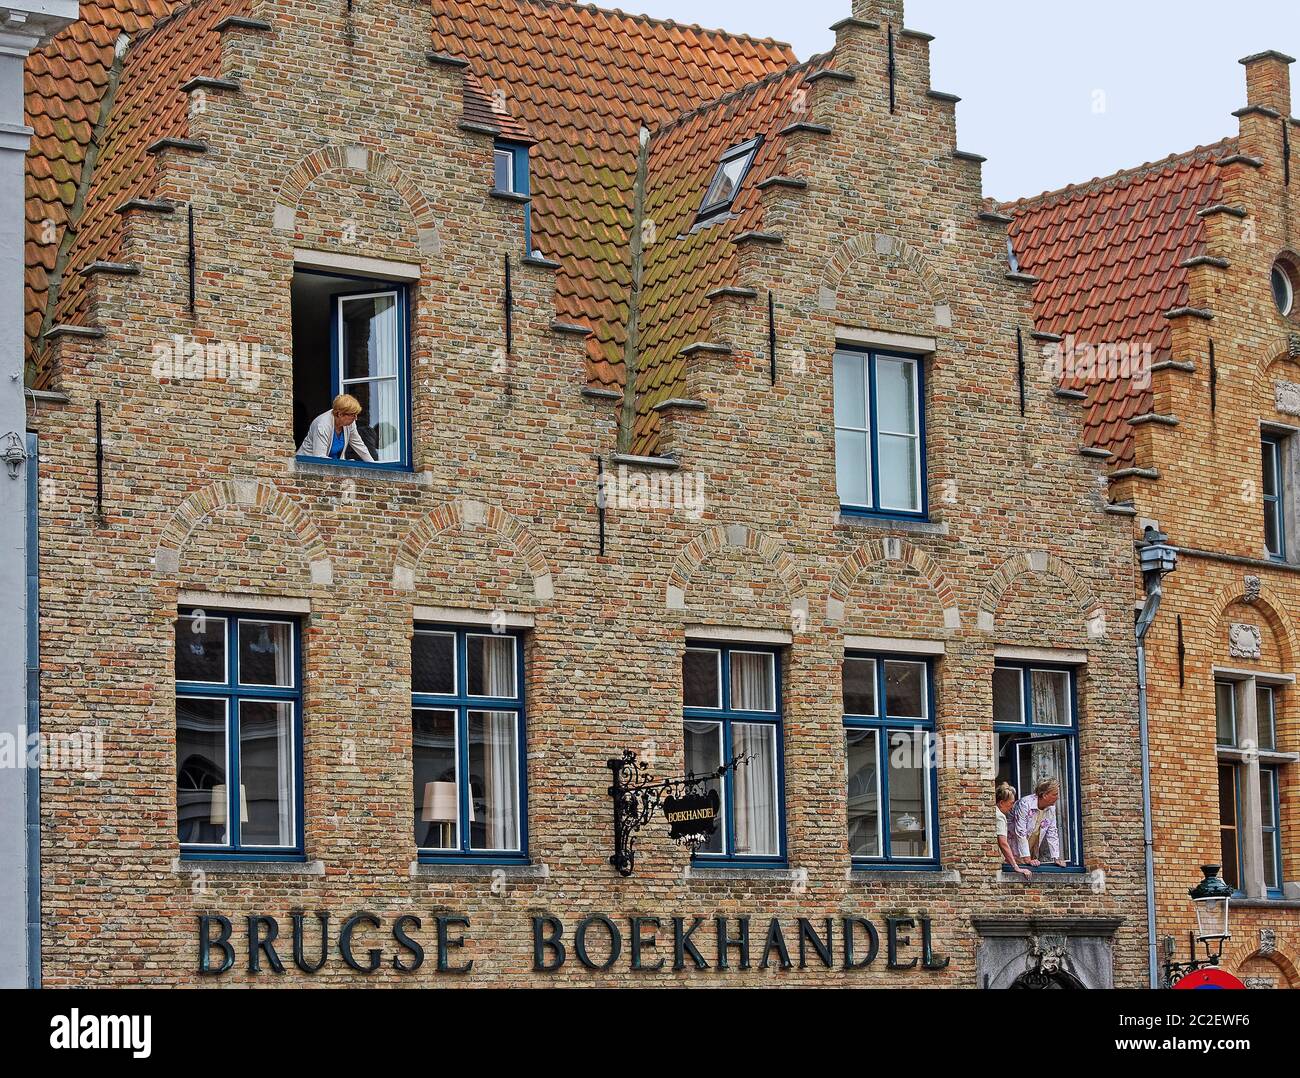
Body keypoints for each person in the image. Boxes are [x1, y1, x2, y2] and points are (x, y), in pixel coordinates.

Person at [1006, 776, 1066, 867]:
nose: (1058, 797)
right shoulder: (1025, 804)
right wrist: (1027, 858)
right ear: (1045, 795)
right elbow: (1021, 832)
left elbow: (1052, 832)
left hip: (1029, 853)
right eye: (1055, 794)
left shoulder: (1051, 808)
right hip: (1011, 849)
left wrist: (1056, 857)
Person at [298, 394, 374, 462]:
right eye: (353, 415)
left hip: (331, 465)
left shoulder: (350, 423)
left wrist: (372, 464)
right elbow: (320, 458)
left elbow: (359, 445)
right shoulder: (322, 425)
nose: (356, 418)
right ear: (340, 414)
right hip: (306, 466)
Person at [995, 782, 1032, 879]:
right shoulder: (1000, 816)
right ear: (1002, 802)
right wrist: (1016, 867)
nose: (1012, 807)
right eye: (1011, 803)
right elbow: (1003, 843)